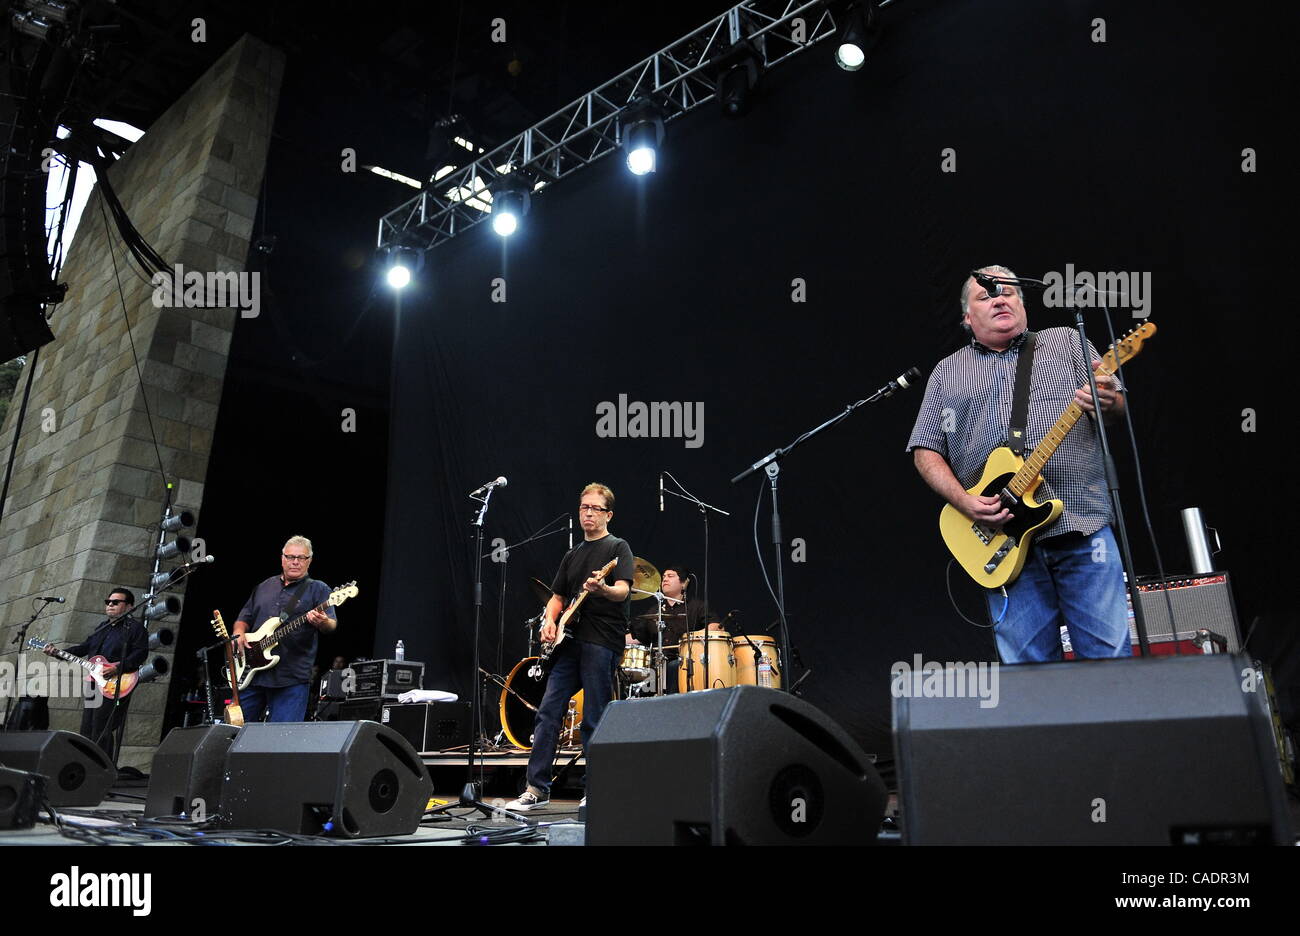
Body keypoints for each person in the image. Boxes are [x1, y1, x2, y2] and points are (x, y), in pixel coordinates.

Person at [906, 264, 1129, 664]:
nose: (1000, 298)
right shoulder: (947, 372)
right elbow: (925, 450)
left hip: (1082, 527)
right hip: (1002, 543)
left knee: (1110, 662)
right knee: (1029, 680)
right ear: (967, 318)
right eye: (987, 295)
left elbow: (1113, 409)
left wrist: (1110, 402)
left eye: (1009, 292)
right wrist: (962, 500)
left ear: (1023, 304)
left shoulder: (1067, 341)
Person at [507, 483, 634, 810]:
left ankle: (597, 790)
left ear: (608, 514)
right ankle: (537, 788)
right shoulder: (572, 555)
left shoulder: (618, 548)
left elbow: (623, 590)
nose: (588, 513)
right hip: (569, 644)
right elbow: (558, 597)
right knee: (548, 711)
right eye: (583, 507)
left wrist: (603, 589)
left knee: (594, 715)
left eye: (595, 508)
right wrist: (550, 621)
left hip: (601, 640)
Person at [231, 535, 338, 722]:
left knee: (281, 739)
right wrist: (238, 634)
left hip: (292, 678)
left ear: (309, 561)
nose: (295, 562)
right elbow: (243, 619)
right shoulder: (264, 586)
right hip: (251, 675)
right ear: (282, 559)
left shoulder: (318, 589)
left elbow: (331, 624)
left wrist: (322, 622)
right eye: (290, 557)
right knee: (236, 732)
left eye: (301, 558)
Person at [41, 587, 149, 762]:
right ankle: (86, 765)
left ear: (129, 606)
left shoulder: (135, 629)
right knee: (88, 726)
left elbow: (141, 654)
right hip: (94, 682)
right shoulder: (102, 627)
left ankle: (103, 769)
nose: (110, 605)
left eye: (116, 602)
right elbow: (84, 648)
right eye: (108, 602)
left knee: (102, 726)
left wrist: (118, 667)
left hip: (116, 682)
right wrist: (57, 652)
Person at [628, 563, 718, 694]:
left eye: (670, 576)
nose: (664, 579)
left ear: (684, 583)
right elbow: (637, 637)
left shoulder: (696, 607)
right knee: (642, 674)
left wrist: (695, 638)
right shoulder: (654, 611)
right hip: (657, 664)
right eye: (664, 576)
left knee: (674, 666)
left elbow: (714, 625)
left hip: (683, 661)